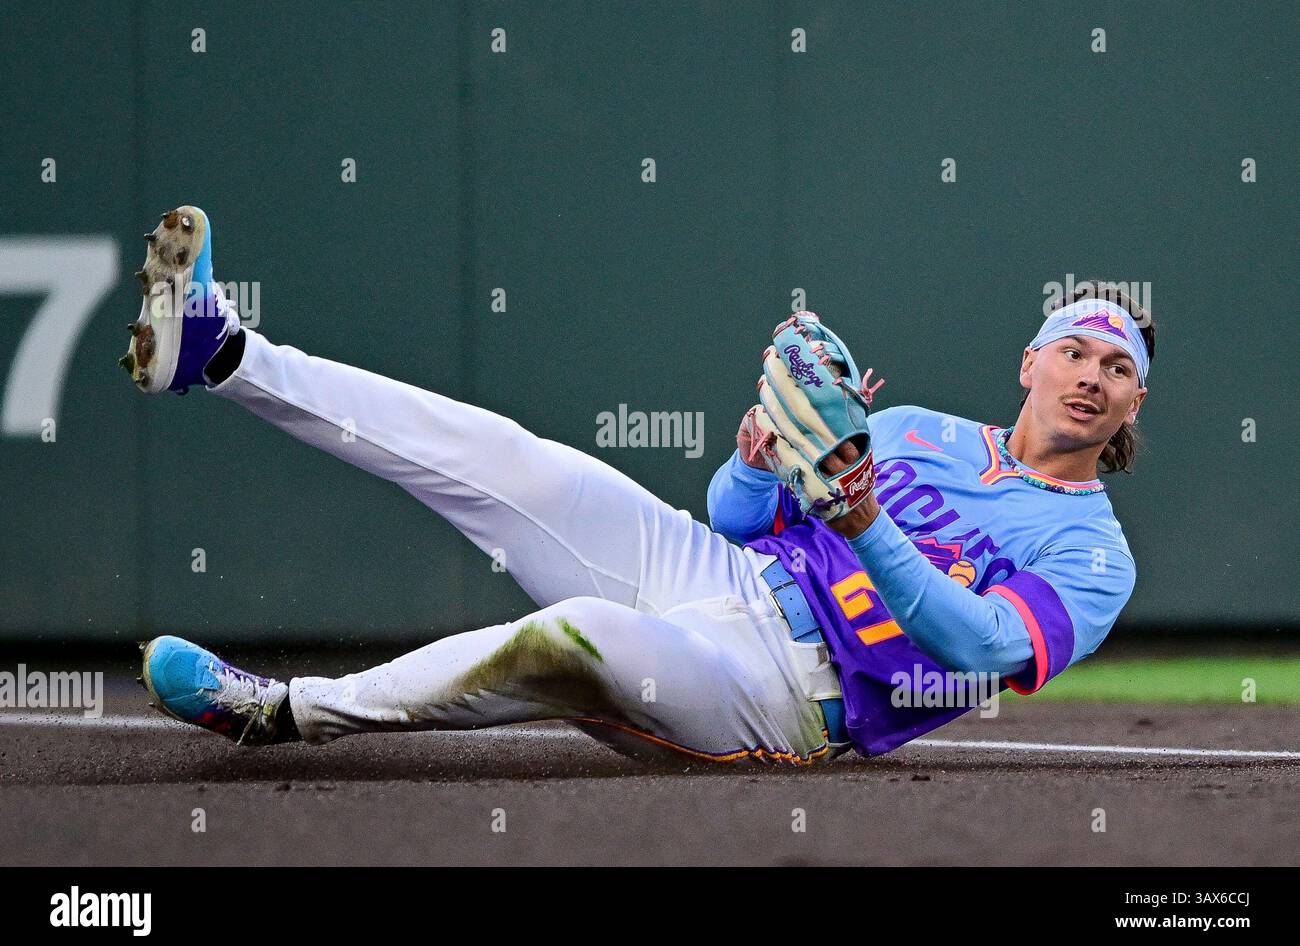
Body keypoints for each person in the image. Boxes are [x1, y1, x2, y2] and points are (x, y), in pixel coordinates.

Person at [129, 207, 1152, 763]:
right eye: (1076, 352)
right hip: (724, 575)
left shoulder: (1095, 553)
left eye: (1117, 373)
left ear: (1128, 412)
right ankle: (223, 353)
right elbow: (736, 518)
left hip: (786, 695)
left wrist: (866, 519)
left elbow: (973, 645)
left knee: (574, 633)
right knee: (507, 456)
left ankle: (280, 712)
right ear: (1031, 363)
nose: (1091, 378)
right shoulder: (912, 428)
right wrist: (755, 460)